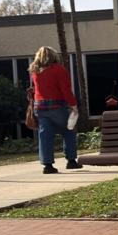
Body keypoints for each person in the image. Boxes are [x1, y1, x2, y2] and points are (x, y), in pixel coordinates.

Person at [29, 46, 81, 174]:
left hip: (40, 107)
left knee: (45, 135)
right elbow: (65, 89)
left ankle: (47, 165)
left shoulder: (35, 71)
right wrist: (73, 105)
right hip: (57, 106)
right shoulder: (58, 69)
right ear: (53, 56)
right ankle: (71, 161)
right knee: (68, 131)